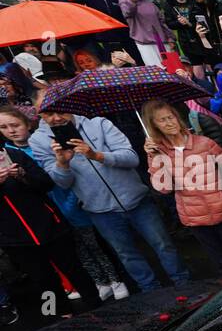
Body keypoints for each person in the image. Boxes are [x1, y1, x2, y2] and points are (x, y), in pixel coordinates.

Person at [30, 109, 190, 291]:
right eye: (48, 113)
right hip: (100, 210)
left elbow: (131, 158)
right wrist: (63, 163)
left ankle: (183, 283)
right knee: (126, 254)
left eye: (61, 111)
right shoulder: (38, 141)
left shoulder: (99, 123)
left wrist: (96, 155)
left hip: (136, 199)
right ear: (38, 114)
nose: (56, 118)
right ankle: (150, 290)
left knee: (163, 244)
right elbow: (62, 183)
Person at [0, 105, 123, 300]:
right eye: (4, 128)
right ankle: (99, 282)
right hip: (45, 211)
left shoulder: (43, 142)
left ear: (27, 124)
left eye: (15, 125)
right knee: (77, 250)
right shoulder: (6, 153)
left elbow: (60, 174)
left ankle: (115, 279)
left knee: (93, 243)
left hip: (69, 198)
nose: (11, 131)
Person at [141, 99, 222, 275]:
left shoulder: (204, 143)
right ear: (154, 126)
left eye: (171, 117)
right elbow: (164, 189)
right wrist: (154, 158)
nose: (169, 123)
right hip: (196, 219)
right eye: (162, 120)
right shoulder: (159, 153)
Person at [0, 141, 102, 317]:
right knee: (42, 280)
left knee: (74, 268)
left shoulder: (15, 154)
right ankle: (59, 315)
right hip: (15, 239)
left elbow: (46, 184)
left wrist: (23, 175)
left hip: (49, 225)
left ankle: (97, 304)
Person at [163, 0, 221, 74]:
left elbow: (204, 19)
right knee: (196, 65)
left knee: (210, 63)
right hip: (186, 41)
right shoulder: (169, 6)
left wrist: (189, 23)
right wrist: (179, 23)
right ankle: (203, 87)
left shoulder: (194, 2)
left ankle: (215, 84)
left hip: (201, 37)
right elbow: (170, 24)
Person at [117, 0, 171, 65]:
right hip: (145, 43)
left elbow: (161, 21)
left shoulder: (148, 1)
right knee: (156, 70)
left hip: (162, 40)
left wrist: (170, 37)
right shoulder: (123, 0)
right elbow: (127, 12)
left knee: (172, 67)